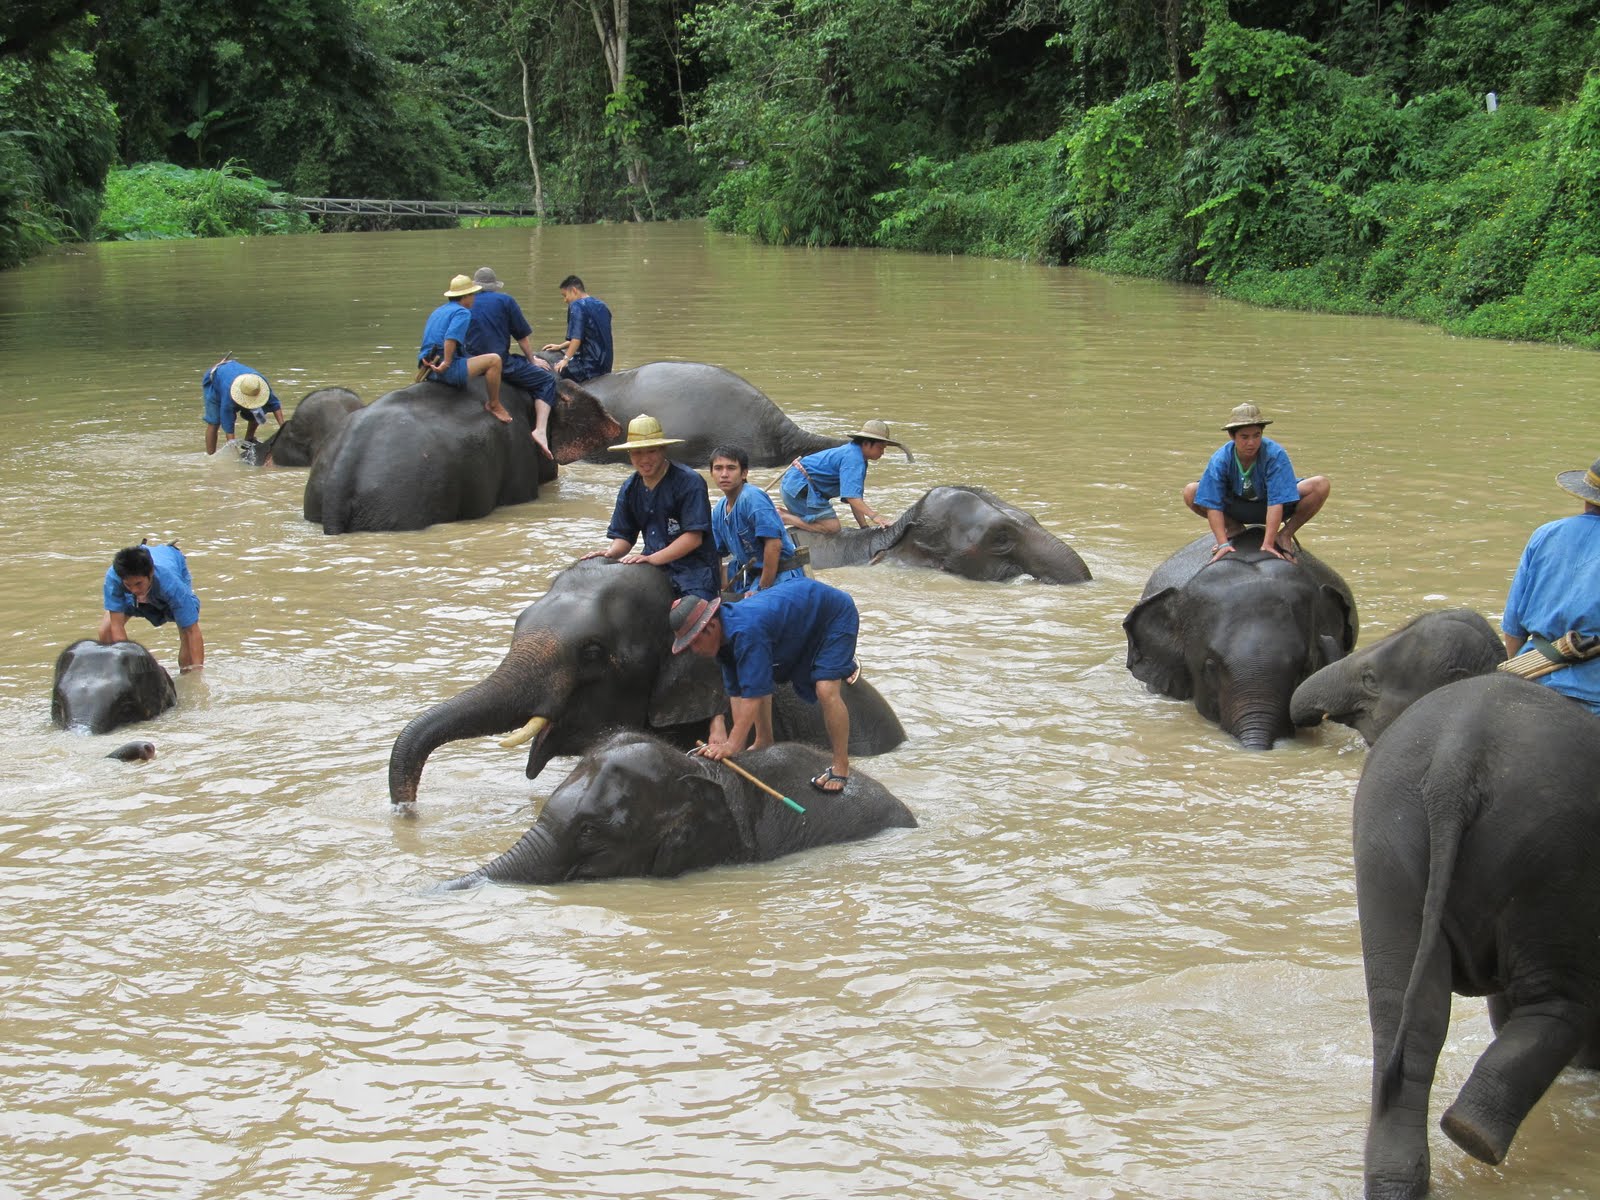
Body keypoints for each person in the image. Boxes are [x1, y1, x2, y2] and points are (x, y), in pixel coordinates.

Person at [670, 579, 862, 793]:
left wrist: (731, 745)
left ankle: (841, 765)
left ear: (712, 626)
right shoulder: (723, 640)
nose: (695, 650)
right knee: (757, 677)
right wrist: (736, 748)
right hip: (799, 620)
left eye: (695, 641)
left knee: (826, 688)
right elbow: (738, 691)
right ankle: (764, 740)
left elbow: (753, 696)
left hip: (833, 615)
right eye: (689, 645)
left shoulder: (745, 632)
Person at [1499, 453, 1600, 714]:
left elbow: (1512, 630)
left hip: (1533, 675)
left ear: (1585, 495)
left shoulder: (1545, 534)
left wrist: (1529, 668)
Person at [584, 414, 720, 600]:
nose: (644, 459)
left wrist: (651, 559)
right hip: (652, 570)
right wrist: (610, 553)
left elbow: (693, 538)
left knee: (690, 617)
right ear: (630, 455)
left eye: (651, 451)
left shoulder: (689, 482)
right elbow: (624, 536)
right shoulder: (630, 488)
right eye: (637, 452)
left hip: (694, 574)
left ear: (663, 450)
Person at [1184, 402, 1330, 562]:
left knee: (1320, 485)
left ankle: (1285, 535)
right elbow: (1212, 502)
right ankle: (1233, 527)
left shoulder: (1274, 454)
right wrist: (1223, 544)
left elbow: (1276, 501)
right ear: (1232, 437)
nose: (1251, 443)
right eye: (1244, 437)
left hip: (1273, 505)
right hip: (1236, 507)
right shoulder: (1221, 459)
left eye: (1256, 435)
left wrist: (1268, 543)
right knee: (1191, 491)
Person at [467, 266, 559, 458]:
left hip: (470, 364)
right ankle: (540, 430)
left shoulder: (465, 302)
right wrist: (532, 360)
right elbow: (522, 337)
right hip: (501, 364)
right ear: (494, 286)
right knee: (546, 381)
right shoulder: (505, 301)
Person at [778, 419, 910, 534]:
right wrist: (875, 517)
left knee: (827, 521)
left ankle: (787, 515)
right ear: (866, 443)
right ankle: (785, 518)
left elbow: (855, 498)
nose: (882, 453)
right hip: (799, 488)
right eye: (880, 448)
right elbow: (852, 498)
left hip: (795, 484)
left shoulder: (857, 456)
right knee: (832, 527)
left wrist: (864, 527)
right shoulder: (854, 459)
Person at [710, 445, 806, 596]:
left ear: (744, 473)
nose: (724, 474)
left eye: (731, 468)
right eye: (718, 468)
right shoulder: (718, 510)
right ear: (711, 473)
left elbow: (774, 544)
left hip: (779, 572)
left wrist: (762, 588)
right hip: (748, 570)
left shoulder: (752, 498)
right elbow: (716, 553)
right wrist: (713, 588)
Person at [98, 542, 204, 673]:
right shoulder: (114, 578)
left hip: (169, 572)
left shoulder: (171, 583)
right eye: (128, 585)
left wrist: (198, 675)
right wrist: (128, 668)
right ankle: (115, 673)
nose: (134, 590)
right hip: (135, 596)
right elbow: (117, 626)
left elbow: (192, 631)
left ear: (151, 573)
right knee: (105, 631)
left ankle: (187, 675)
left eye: (138, 583)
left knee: (186, 638)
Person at [418, 274, 510, 423]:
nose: (474, 298)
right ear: (465, 296)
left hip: (428, 365)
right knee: (494, 360)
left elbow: (429, 341)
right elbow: (450, 338)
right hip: (444, 369)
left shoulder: (438, 311)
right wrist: (446, 363)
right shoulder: (462, 312)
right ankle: (494, 404)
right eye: (472, 294)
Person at [201, 356, 285, 455]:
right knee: (214, 422)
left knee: (258, 412)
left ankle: (249, 440)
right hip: (215, 380)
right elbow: (229, 428)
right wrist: (234, 454)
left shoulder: (260, 384)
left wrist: (283, 429)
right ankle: (211, 455)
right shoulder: (228, 398)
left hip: (234, 375)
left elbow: (275, 405)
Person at [542, 275, 613, 382]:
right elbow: (590, 336)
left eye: (565, 295)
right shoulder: (602, 305)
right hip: (606, 365)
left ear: (574, 291)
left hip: (589, 367)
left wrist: (565, 360)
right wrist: (560, 346)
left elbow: (576, 339)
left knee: (550, 370)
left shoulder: (577, 306)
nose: (565, 300)